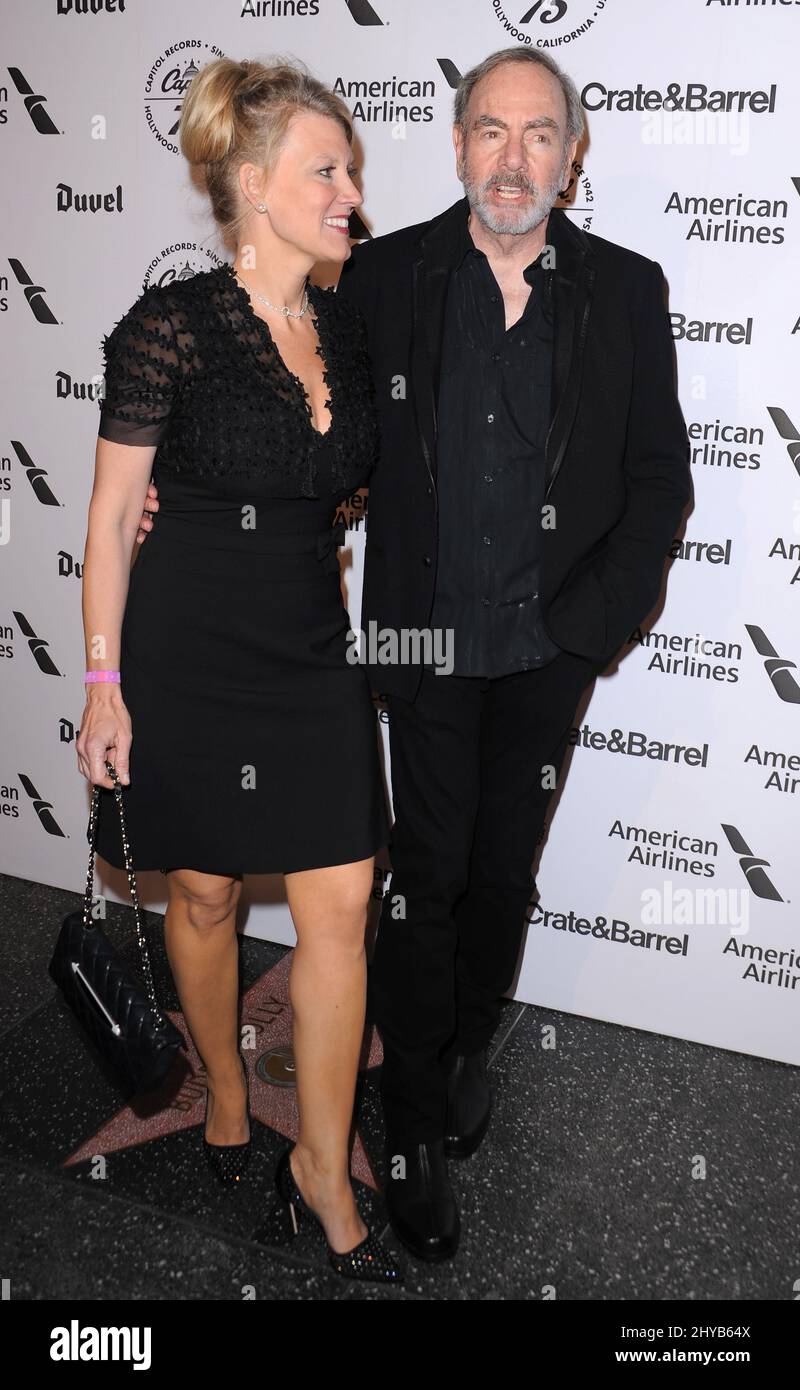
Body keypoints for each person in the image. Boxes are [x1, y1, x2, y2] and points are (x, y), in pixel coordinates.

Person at [137, 47, 692, 1264]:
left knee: (503, 872)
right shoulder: (380, 275)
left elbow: (658, 483)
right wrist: (163, 489)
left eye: (537, 134)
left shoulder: (626, 289)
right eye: (488, 131)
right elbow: (283, 394)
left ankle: (462, 1046)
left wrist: (589, 620)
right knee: (420, 878)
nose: (511, 158)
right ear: (453, 146)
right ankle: (409, 1124)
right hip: (418, 635)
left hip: (551, 644)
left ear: (570, 154)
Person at [77, 56, 401, 1285]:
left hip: (311, 651)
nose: (349, 194)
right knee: (202, 898)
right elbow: (109, 522)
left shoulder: (349, 324)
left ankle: (320, 1163)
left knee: (341, 912)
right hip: (186, 650)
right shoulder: (167, 330)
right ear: (254, 185)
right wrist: (102, 685)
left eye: (351, 170)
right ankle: (221, 1092)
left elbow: (343, 477)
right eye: (327, 170)